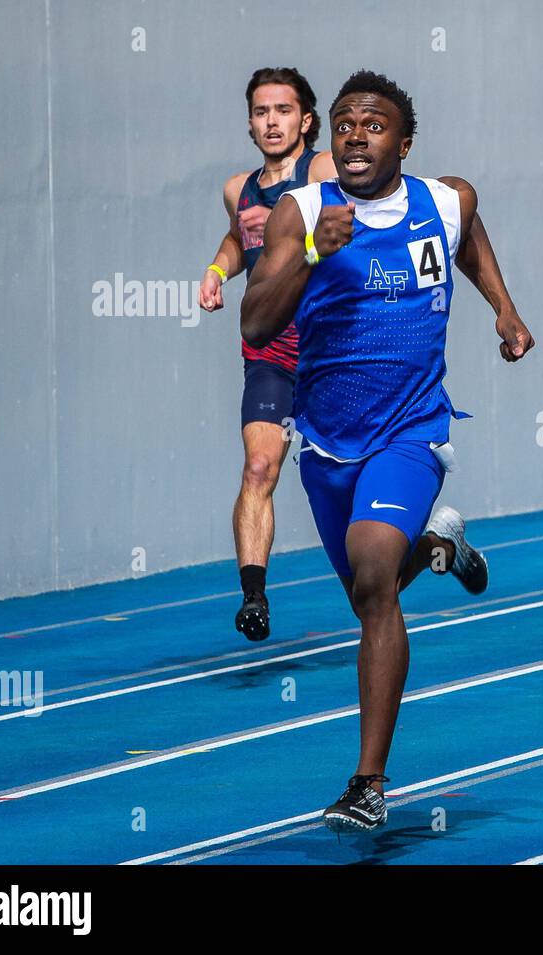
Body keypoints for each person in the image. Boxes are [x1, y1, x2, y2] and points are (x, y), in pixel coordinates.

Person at [241, 70, 534, 832]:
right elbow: (254, 325)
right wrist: (309, 249)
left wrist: (504, 309)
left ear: (405, 141)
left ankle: (367, 783)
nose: (356, 136)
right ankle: (439, 536)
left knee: (374, 576)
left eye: (374, 125)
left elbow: (470, 243)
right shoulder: (300, 212)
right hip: (328, 443)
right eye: (343, 125)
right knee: (373, 596)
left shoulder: (446, 199)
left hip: (412, 428)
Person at [199, 67, 336, 641]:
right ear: (250, 122)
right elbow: (239, 236)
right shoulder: (238, 187)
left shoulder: (325, 169)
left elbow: (344, 228)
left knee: (344, 485)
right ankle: (254, 597)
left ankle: (432, 535)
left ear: (305, 120)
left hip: (335, 350)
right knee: (259, 466)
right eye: (261, 112)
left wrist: (289, 226)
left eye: (283, 111)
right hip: (273, 351)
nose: (271, 121)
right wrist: (216, 270)